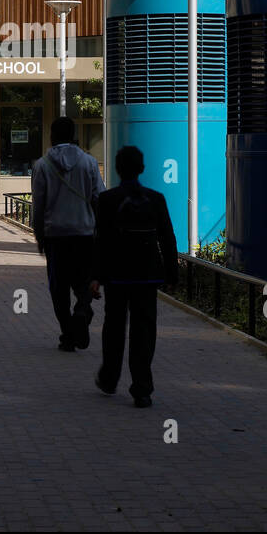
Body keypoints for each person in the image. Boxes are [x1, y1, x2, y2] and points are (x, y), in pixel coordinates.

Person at [92, 146, 178, 408]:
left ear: (117, 169)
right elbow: (168, 239)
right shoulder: (156, 199)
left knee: (114, 327)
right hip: (147, 277)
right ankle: (142, 388)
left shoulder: (107, 200)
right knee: (144, 331)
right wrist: (171, 275)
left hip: (117, 276)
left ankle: (109, 377)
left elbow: (100, 242)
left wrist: (95, 276)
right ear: (142, 168)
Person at [31, 116, 105, 352]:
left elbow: (39, 205)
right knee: (83, 282)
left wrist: (39, 236)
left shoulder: (42, 165)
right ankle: (82, 310)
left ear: (52, 136)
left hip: (55, 236)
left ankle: (67, 333)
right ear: (74, 135)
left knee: (58, 287)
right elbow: (99, 198)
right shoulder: (90, 163)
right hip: (84, 234)